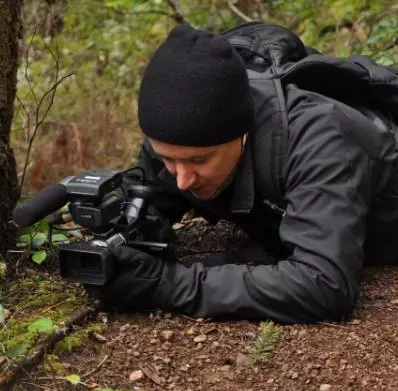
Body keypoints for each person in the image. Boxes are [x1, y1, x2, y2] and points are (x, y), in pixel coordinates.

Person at [89, 22, 398, 323]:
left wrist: (166, 284)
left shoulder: (320, 142)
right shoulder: (177, 140)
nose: (181, 179)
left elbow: (324, 284)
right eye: (168, 159)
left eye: (198, 161)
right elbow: (151, 200)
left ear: (241, 135)